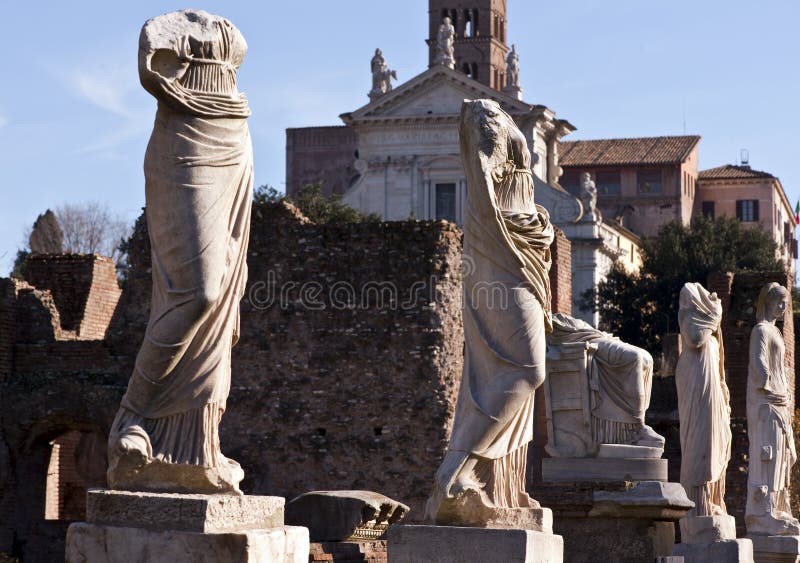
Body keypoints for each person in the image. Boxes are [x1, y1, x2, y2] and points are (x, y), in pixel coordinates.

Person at [107, 10, 253, 494]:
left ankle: (196, 449)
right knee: (200, 292)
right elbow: (150, 56)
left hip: (234, 135)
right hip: (186, 136)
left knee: (225, 301)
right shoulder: (175, 22)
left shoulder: (227, 26)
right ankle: (134, 415)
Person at [426, 100, 554, 523]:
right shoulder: (481, 113)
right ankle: (454, 471)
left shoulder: (507, 116)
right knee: (527, 369)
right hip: (499, 251)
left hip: (523, 243)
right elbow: (483, 182)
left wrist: (535, 219)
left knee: (517, 374)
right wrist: (507, 237)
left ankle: (503, 486)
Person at [549, 314, 664, 448]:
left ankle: (637, 426)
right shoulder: (529, 307)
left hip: (593, 334)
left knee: (647, 359)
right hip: (579, 340)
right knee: (635, 358)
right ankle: (636, 427)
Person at [746, 283, 800, 535]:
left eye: (786, 304)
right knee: (768, 456)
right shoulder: (761, 330)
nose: (783, 307)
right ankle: (762, 512)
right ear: (767, 301)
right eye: (780, 302)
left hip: (780, 403)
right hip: (767, 402)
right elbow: (759, 362)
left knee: (782, 457)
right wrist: (768, 382)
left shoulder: (776, 333)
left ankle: (778, 508)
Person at [676, 283, 731, 516]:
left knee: (717, 441)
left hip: (712, 394)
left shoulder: (711, 334)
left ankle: (712, 499)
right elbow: (695, 338)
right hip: (697, 392)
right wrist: (715, 314)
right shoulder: (692, 321)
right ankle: (699, 505)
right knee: (700, 442)